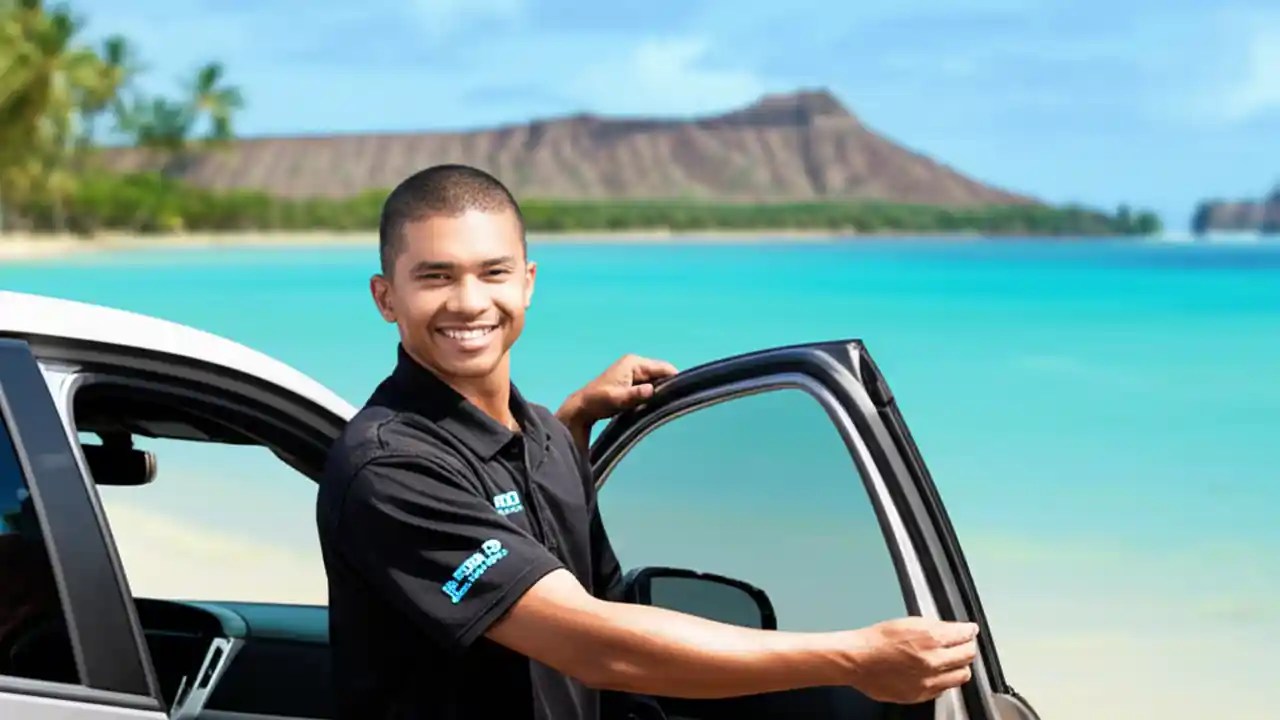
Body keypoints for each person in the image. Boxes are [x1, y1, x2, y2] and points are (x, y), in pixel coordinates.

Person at [316, 164, 980, 720]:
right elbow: (593, 643)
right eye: (436, 277)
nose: (469, 302)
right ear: (386, 297)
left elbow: (541, 533)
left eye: (493, 273)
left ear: (528, 283)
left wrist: (571, 425)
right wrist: (853, 658)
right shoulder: (389, 468)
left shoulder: (543, 435)